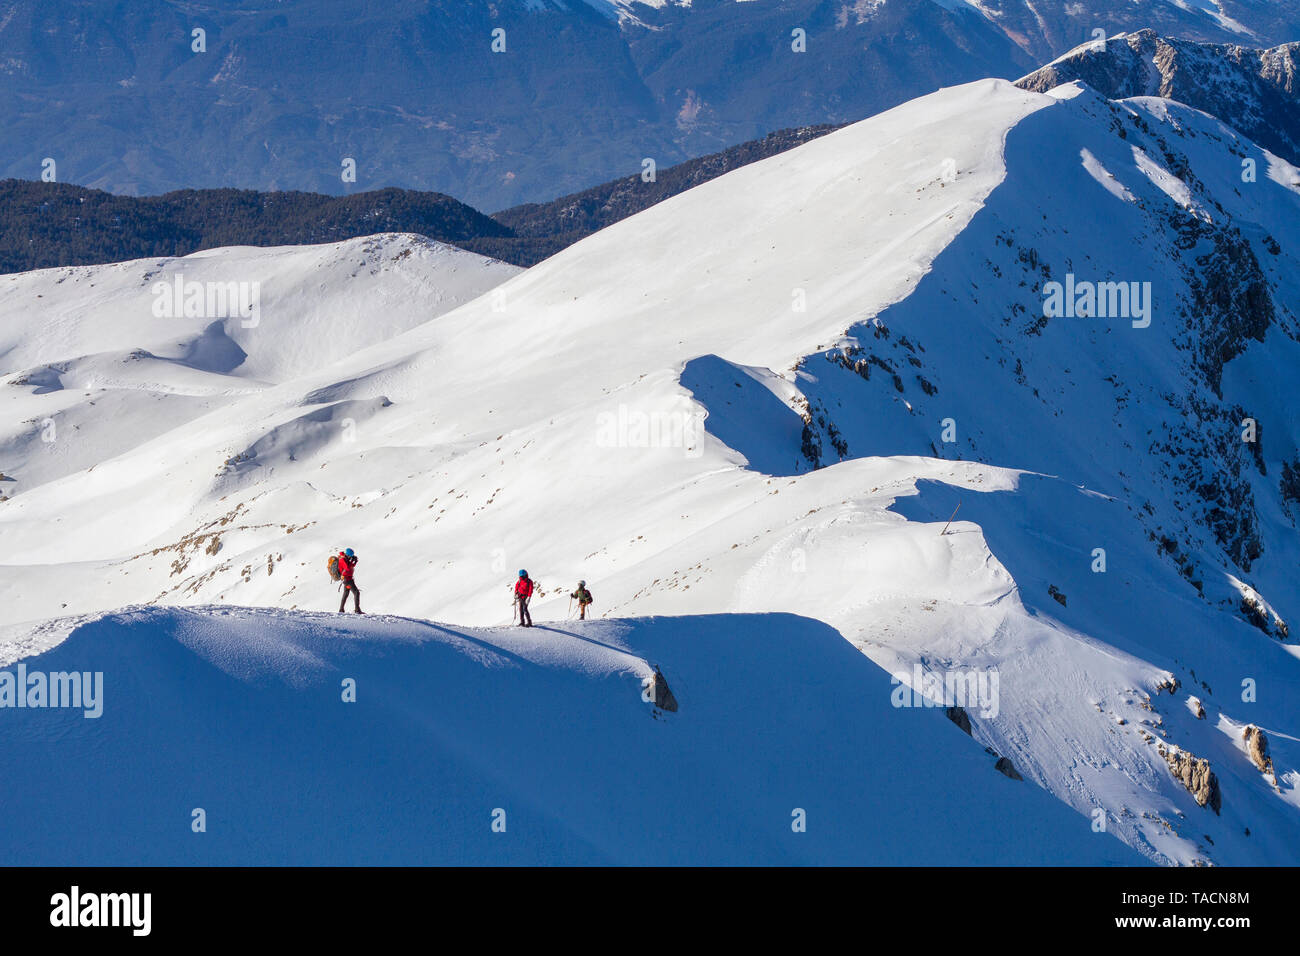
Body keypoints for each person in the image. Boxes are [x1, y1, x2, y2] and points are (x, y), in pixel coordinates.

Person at [338, 548, 362, 614]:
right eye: (350, 556)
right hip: (347, 580)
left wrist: (355, 562)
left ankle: (341, 609)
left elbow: (351, 566)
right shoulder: (342, 560)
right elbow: (347, 568)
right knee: (356, 593)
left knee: (346, 594)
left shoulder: (345, 559)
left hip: (347, 579)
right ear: (348, 555)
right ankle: (357, 610)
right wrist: (352, 561)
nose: (351, 557)